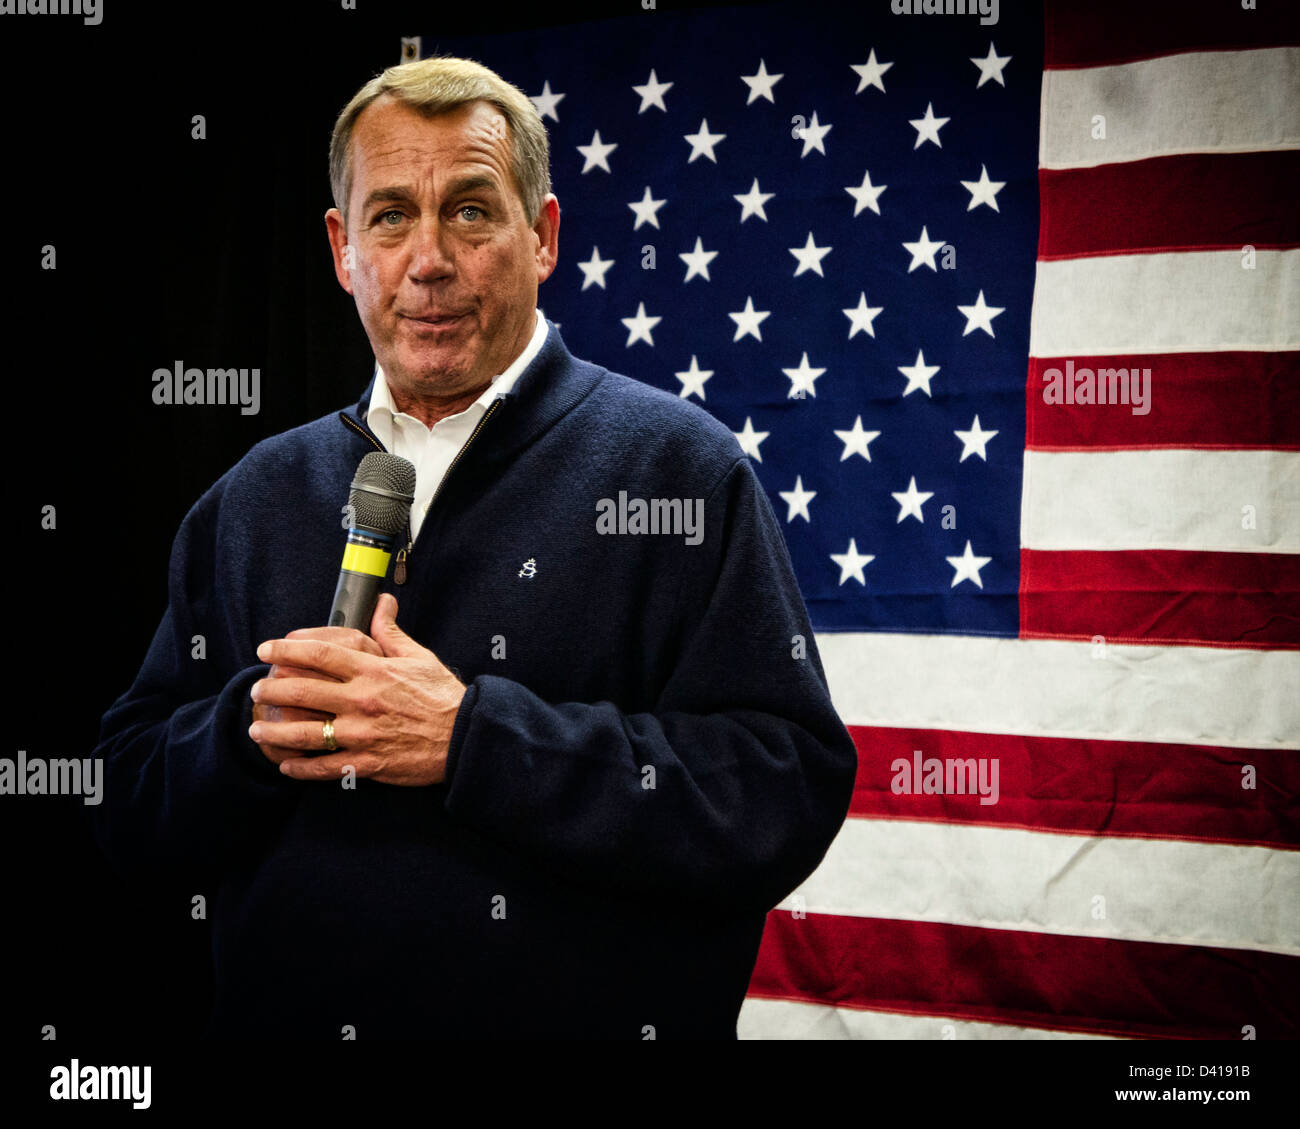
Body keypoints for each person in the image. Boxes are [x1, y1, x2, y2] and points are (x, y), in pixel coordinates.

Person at [91, 54, 857, 1039]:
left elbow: (781, 788)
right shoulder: (250, 497)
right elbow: (125, 803)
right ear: (341, 248)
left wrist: (471, 740)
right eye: (390, 216)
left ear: (540, 238)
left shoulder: (681, 475)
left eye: (468, 210)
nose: (428, 261)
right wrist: (250, 726)